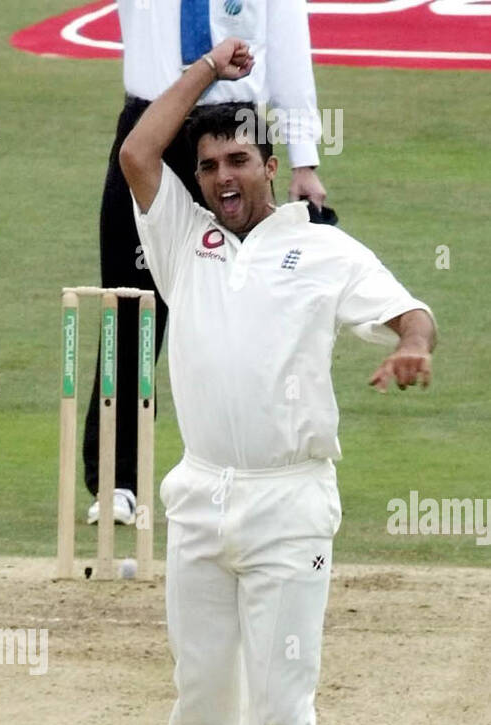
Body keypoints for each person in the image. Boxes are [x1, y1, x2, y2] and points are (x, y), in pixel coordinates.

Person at [120, 41, 435, 725]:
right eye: (209, 165)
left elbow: (410, 312)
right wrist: (206, 78)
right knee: (202, 694)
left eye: (237, 162)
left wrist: (415, 348)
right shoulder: (184, 241)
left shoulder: (321, 246)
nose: (221, 178)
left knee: (281, 713)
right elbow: (139, 156)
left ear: (269, 166)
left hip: (291, 504)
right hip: (203, 495)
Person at [84, 0, 328, 526]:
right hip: (153, 125)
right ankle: (115, 479)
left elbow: (289, 47)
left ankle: (260, 465)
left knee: (250, 305)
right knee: (131, 306)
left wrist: (304, 158)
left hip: (236, 132)